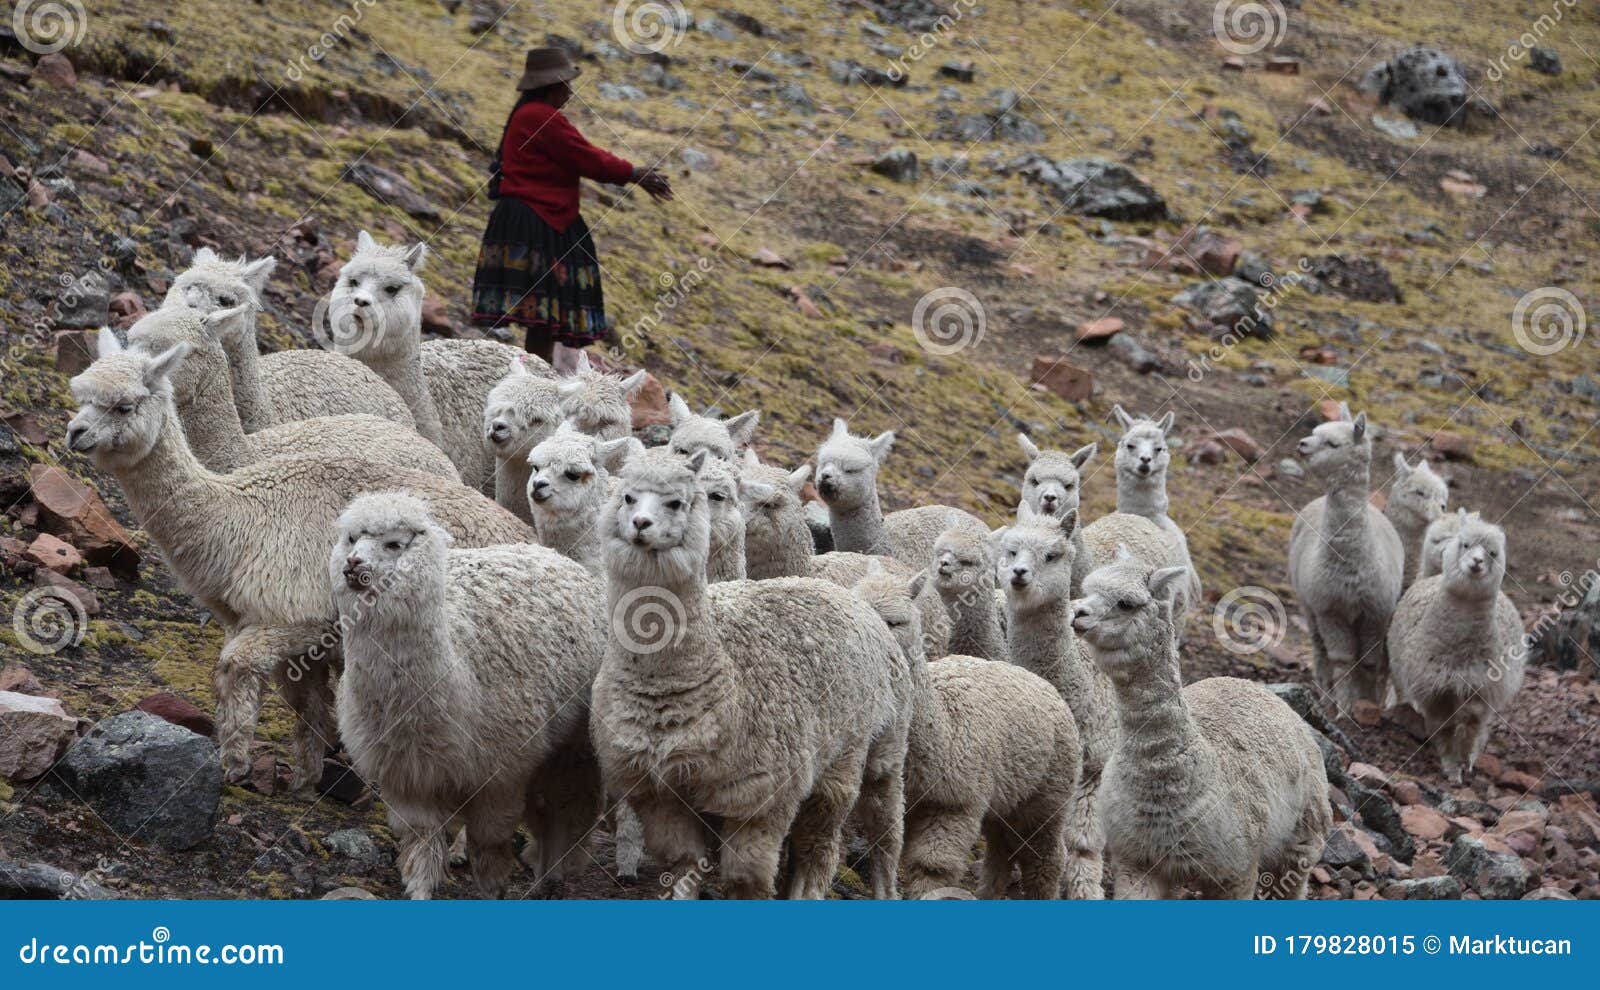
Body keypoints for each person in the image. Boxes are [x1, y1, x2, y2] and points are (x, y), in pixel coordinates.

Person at [470, 47, 672, 366]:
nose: (570, 91)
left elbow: (580, 156)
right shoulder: (540, 117)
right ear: (552, 85)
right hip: (536, 221)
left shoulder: (528, 114)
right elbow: (585, 157)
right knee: (542, 313)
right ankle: (534, 378)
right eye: (566, 83)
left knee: (542, 315)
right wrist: (634, 173)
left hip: (534, 218)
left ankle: (536, 374)